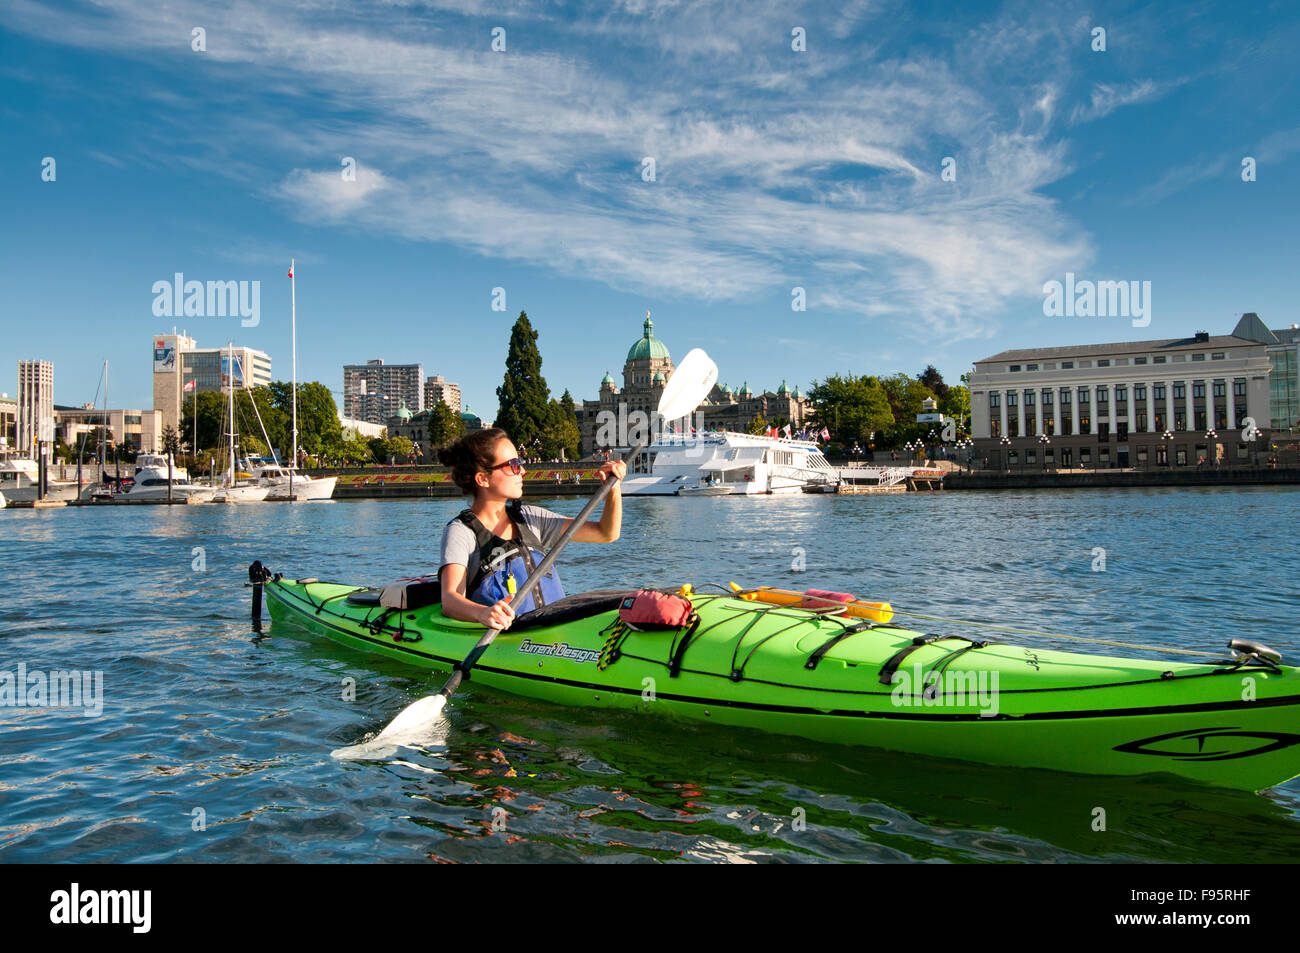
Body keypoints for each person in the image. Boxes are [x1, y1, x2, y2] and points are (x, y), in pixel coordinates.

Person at [439, 428, 626, 631]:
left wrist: (613, 489)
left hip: (555, 630)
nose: (522, 471)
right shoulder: (461, 532)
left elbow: (606, 533)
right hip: (510, 639)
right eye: (513, 465)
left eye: (520, 463)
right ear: (483, 479)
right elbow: (450, 600)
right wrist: (483, 613)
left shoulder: (530, 518)